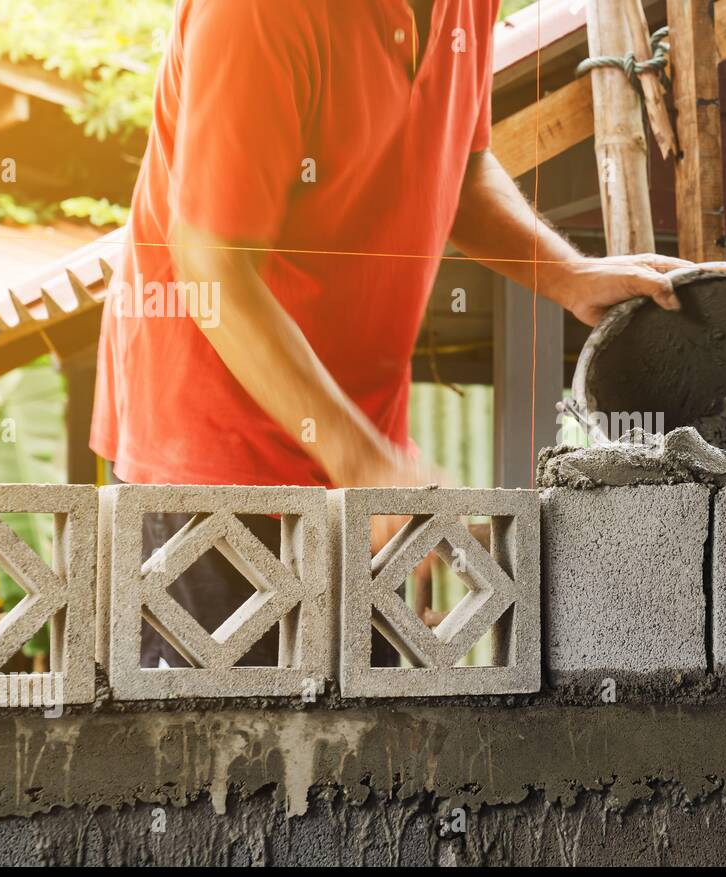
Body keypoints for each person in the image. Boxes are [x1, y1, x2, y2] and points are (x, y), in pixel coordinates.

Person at [91, 0, 688, 666]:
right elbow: (214, 271)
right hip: (211, 463)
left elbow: (458, 160)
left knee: (362, 748)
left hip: (360, 460)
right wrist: (365, 462)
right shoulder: (256, 13)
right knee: (222, 753)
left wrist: (567, 276)